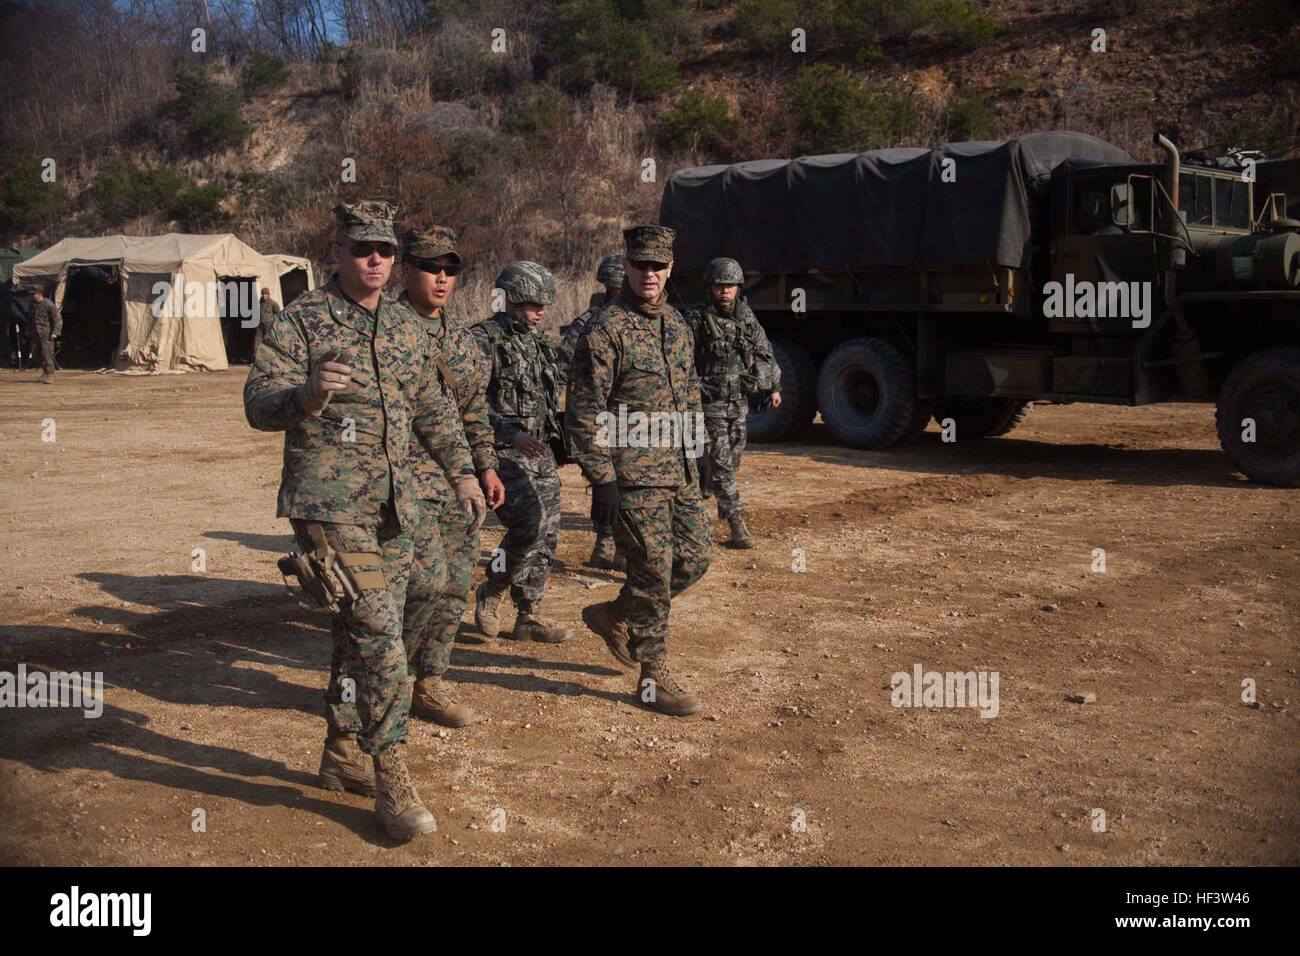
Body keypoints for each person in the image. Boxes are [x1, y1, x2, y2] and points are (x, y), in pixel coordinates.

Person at [244, 200, 485, 841]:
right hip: (329, 506)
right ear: (337, 254)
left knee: (422, 599)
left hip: (395, 503)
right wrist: (306, 395)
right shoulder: (302, 321)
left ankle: (342, 747)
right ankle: (391, 773)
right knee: (377, 631)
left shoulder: (406, 330)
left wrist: (461, 471)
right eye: (361, 250)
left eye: (383, 252)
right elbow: (258, 407)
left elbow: (433, 407)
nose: (374, 261)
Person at [565, 225, 713, 717]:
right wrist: (601, 477)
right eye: (641, 265)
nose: (649, 274)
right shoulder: (606, 329)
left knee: (693, 558)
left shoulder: (677, 323)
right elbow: (585, 409)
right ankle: (653, 677)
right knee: (652, 566)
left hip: (679, 469)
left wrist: (701, 447)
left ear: (670, 269)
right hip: (632, 475)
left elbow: (689, 390)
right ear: (626, 266)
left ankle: (613, 613)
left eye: (658, 266)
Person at [397, 226, 505, 727]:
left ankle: (428, 681)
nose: (441, 278)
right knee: (416, 584)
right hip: (400, 483)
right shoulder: (386, 329)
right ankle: (388, 680)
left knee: (456, 584)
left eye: (450, 270)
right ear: (406, 268)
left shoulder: (461, 341)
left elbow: (473, 411)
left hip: (455, 483)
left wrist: (485, 465)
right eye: (430, 267)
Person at [471, 261, 572, 644]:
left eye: (544, 304)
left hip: (539, 452)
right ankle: (493, 588)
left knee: (548, 534)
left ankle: (529, 613)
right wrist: (510, 434)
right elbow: (470, 403)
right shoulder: (482, 340)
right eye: (532, 304)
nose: (541, 311)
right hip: (501, 452)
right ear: (510, 301)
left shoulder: (538, 343)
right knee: (529, 525)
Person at [684, 257, 781, 549]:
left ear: (738, 287)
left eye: (730, 285)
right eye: (719, 285)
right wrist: (694, 386)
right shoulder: (697, 319)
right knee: (723, 464)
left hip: (738, 402)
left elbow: (764, 352)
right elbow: (683, 358)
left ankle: (701, 488)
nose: (724, 291)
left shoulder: (747, 318)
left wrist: (772, 386)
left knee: (733, 456)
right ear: (710, 288)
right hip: (710, 403)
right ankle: (736, 524)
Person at [558, 253, 626, 570]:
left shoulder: (635, 320)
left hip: (630, 417)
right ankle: (605, 540)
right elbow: (561, 367)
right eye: (615, 286)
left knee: (627, 480)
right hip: (598, 415)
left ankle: (619, 543)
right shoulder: (587, 323)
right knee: (606, 479)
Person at [27, 287, 61, 384]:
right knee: (36, 353)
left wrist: (55, 332)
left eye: (34, 294)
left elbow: (57, 319)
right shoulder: (32, 305)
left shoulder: (48, 304)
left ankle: (49, 374)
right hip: (35, 333)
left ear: (39, 294)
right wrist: (28, 329)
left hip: (46, 333)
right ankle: (44, 371)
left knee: (47, 354)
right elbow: (30, 318)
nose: (33, 296)